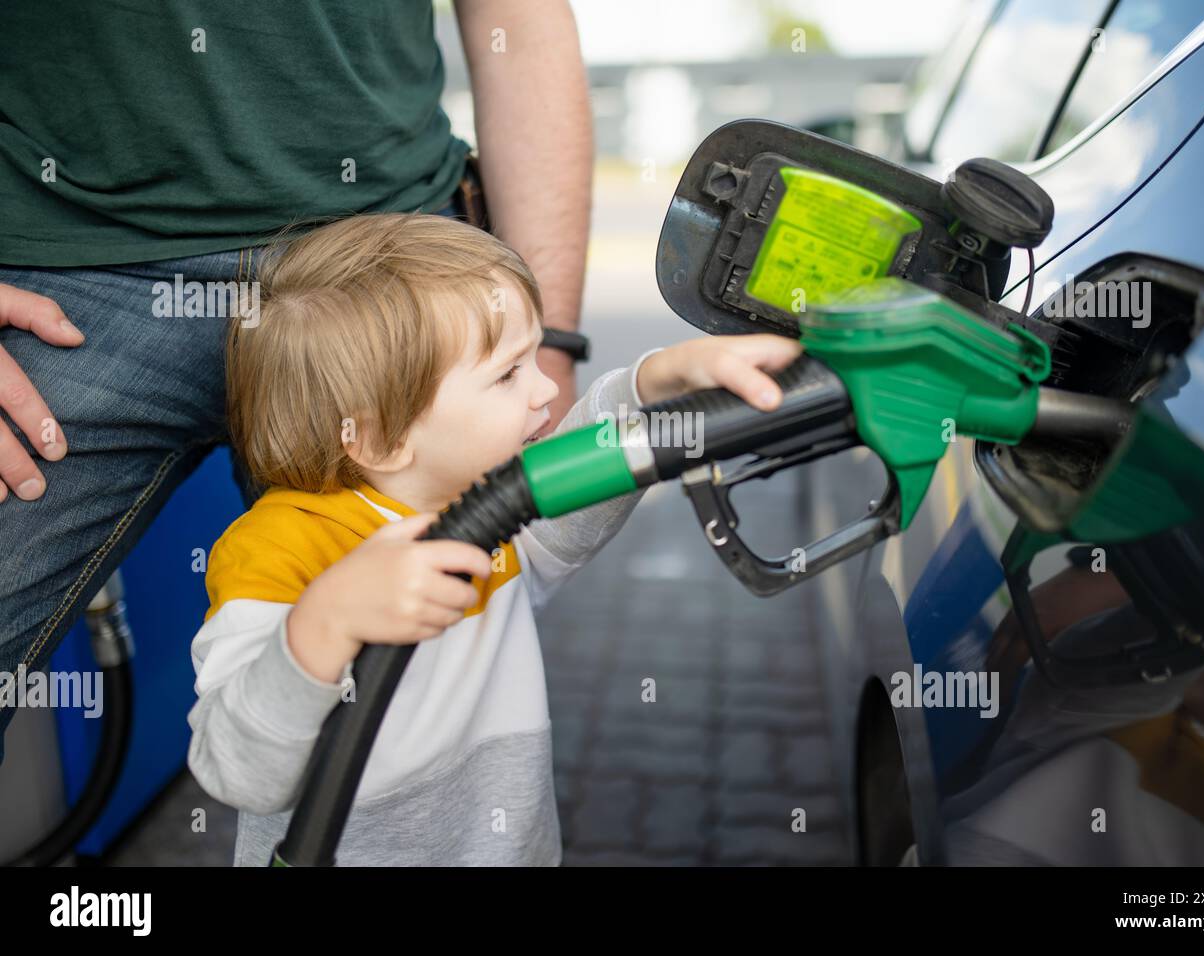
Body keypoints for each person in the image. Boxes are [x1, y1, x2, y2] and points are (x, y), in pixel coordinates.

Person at [0, 1, 594, 763]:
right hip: (68, 272)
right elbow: (239, 768)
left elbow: (517, 16)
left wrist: (547, 353)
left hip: (395, 280)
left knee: (426, 725)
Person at [185, 212, 802, 865]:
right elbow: (235, 771)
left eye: (534, 357)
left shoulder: (482, 508)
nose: (543, 389)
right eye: (508, 374)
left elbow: (571, 493)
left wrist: (653, 387)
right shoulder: (278, 549)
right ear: (379, 439)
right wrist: (323, 623)